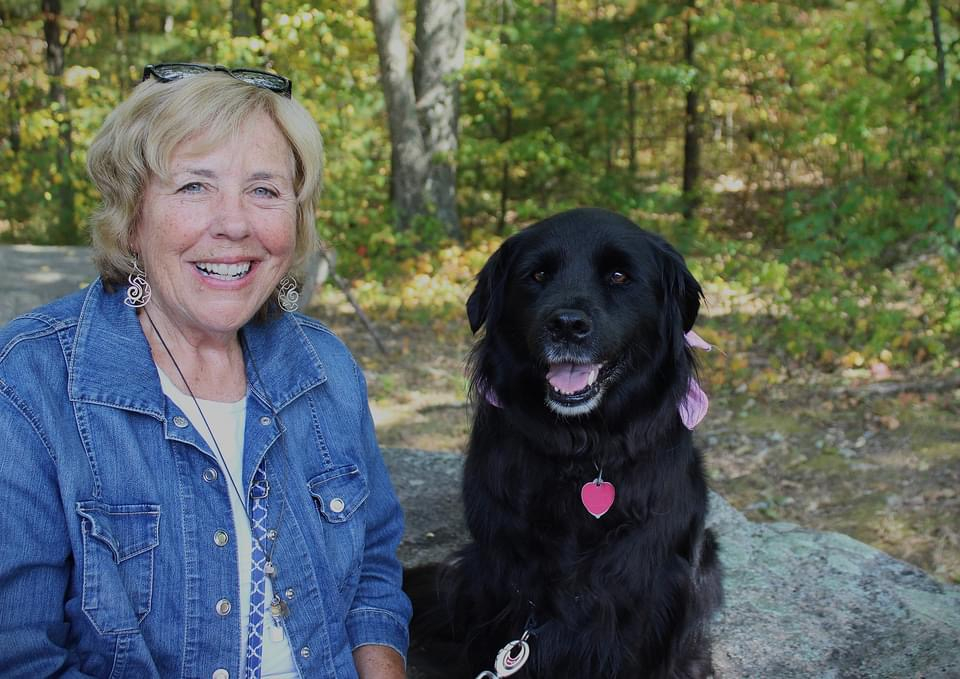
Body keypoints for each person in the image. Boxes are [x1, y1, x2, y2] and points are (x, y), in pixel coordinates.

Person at [0, 64, 410, 678]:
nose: (236, 223)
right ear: (132, 216)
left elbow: (373, 571)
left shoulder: (324, 367)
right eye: (195, 186)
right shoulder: (28, 384)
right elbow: (19, 656)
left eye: (265, 190)